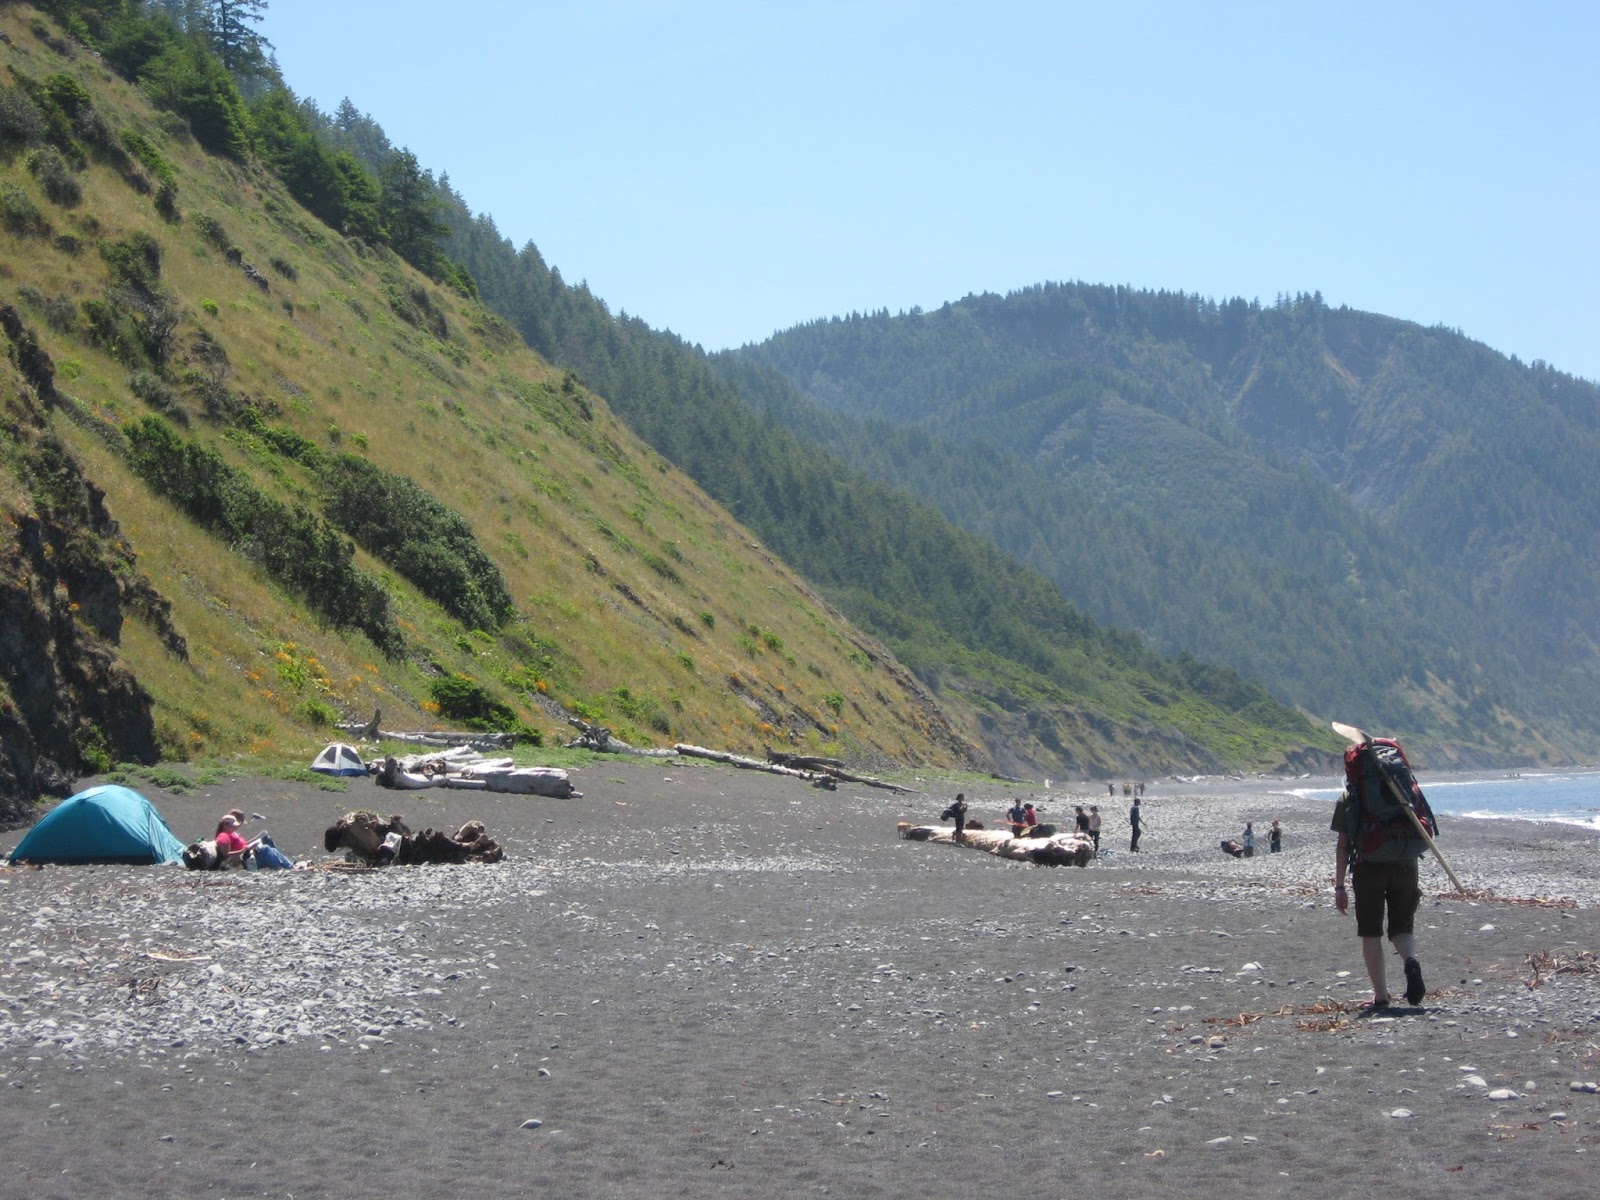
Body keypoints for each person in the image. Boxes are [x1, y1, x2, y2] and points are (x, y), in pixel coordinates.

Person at [1331, 788, 1428, 1010]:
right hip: (1406, 863)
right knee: (1402, 928)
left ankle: (1381, 996)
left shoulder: (1350, 796)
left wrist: (1339, 886)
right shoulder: (1405, 788)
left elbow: (1343, 846)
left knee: (1371, 932)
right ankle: (1410, 960)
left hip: (1368, 867)